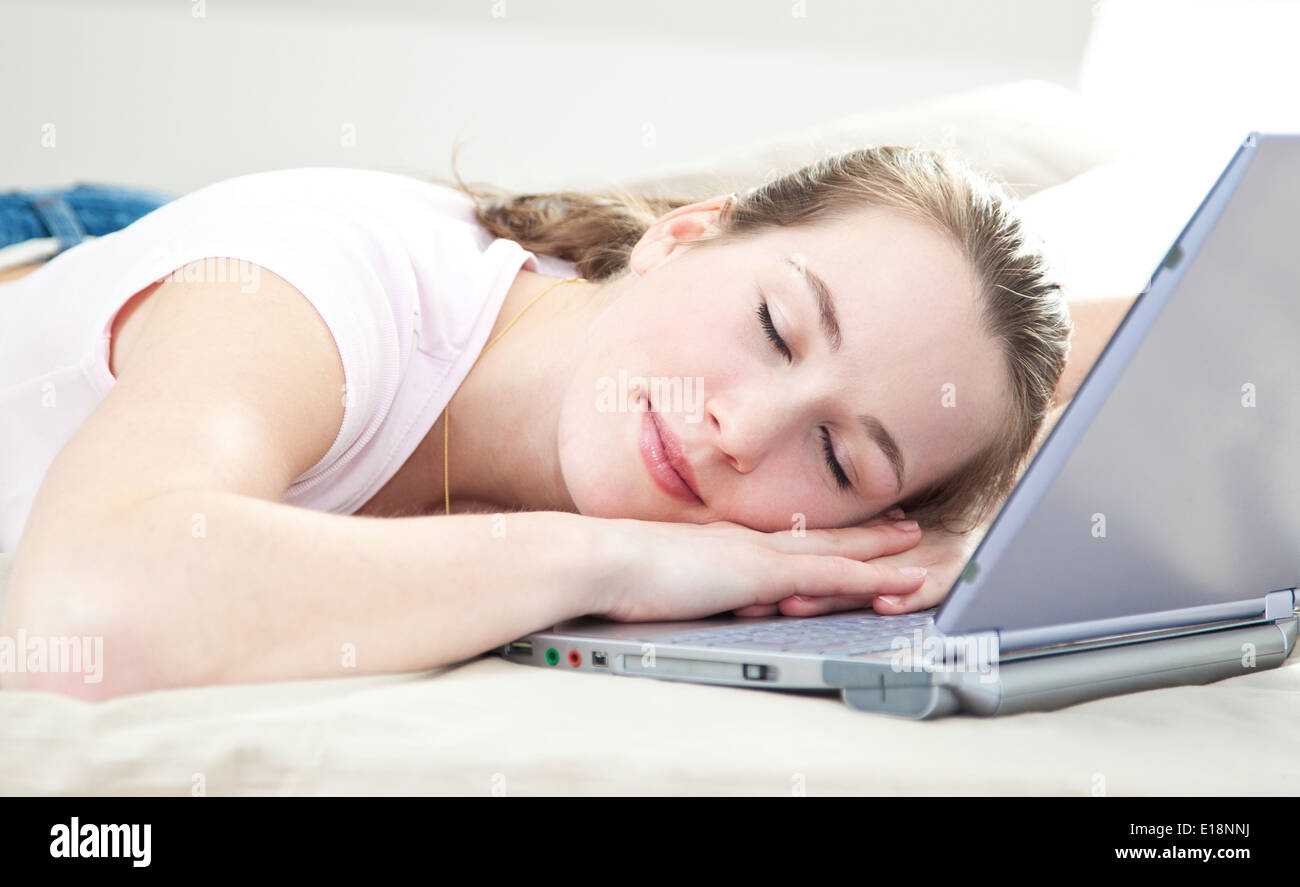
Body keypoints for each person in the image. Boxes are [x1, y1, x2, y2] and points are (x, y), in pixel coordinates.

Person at [1, 146, 1117, 702]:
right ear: (683, 236)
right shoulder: (312, 289)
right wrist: (613, 557)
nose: (739, 429)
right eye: (775, 328)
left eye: (836, 454)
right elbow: (85, 613)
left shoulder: (678, 412)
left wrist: (964, 533)